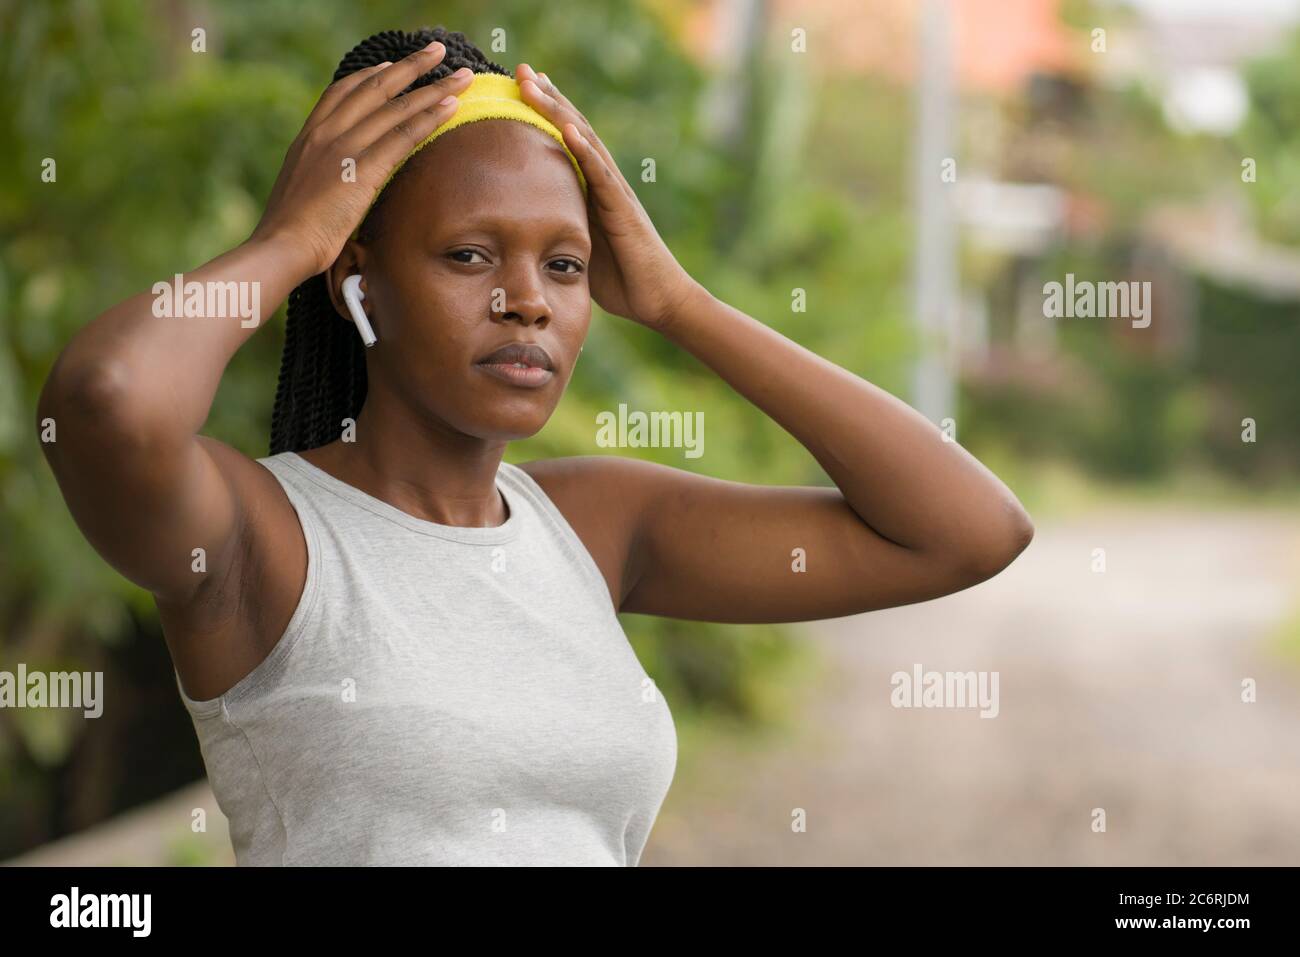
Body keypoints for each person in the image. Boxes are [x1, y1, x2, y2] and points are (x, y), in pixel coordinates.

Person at [36, 26, 1033, 866]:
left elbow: (965, 533)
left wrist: (679, 304)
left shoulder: (595, 529)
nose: (527, 302)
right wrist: (293, 239)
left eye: (565, 265)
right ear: (359, 280)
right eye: (469, 256)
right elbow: (105, 400)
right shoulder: (263, 538)